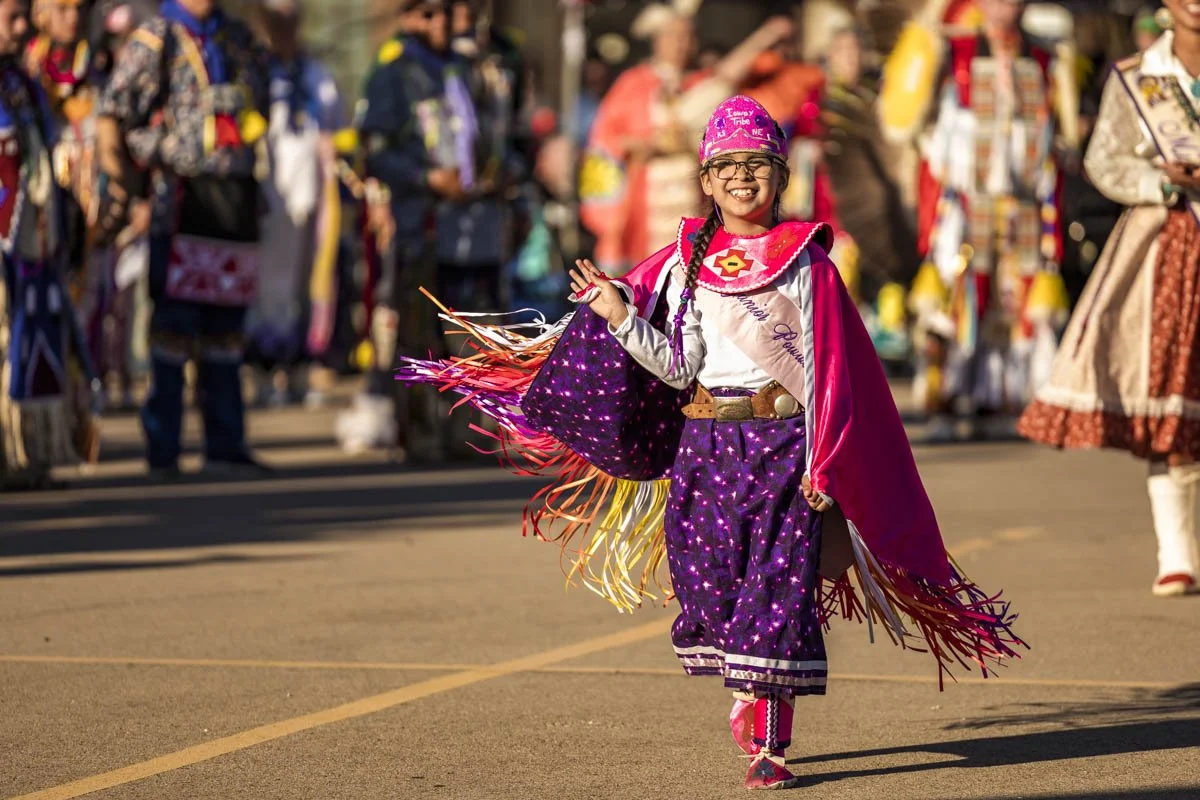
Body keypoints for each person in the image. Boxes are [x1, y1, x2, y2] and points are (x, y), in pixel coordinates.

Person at [399, 96, 1022, 790]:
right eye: (727, 166)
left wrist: (824, 461)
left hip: (786, 445)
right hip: (706, 447)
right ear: (706, 179)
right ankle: (746, 691)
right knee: (712, 588)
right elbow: (674, 366)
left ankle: (770, 741)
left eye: (758, 165)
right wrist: (617, 317)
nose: (742, 178)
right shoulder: (685, 267)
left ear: (782, 178)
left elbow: (830, 373)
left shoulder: (808, 264)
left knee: (778, 594)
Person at [1019, 0, 1200, 597]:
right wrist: (1163, 181)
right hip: (1170, 240)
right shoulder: (1139, 75)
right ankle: (1177, 552)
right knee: (1171, 387)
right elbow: (1104, 159)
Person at [884, 0, 1076, 441]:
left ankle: (1009, 400)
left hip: (1027, 203)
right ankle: (946, 401)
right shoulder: (954, 51)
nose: (1002, 6)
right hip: (965, 204)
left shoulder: (1047, 57)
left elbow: (1064, 136)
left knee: (1019, 300)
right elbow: (908, 121)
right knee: (958, 299)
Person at [98, 0, 270, 477]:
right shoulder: (157, 38)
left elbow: (264, 107)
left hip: (234, 202)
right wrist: (166, 153)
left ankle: (226, 444)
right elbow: (114, 115)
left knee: (226, 332)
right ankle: (164, 449)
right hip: (180, 200)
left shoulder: (238, 38)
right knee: (173, 329)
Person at [338, 0, 472, 459]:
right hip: (419, 225)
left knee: (471, 332)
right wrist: (426, 177)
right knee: (418, 332)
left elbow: (496, 135)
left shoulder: (467, 70)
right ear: (408, 18)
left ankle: (467, 433)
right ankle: (419, 434)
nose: (440, 22)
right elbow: (371, 153)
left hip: (474, 229)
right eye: (428, 13)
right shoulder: (393, 72)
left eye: (446, 12)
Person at [578, 9, 795, 275]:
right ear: (657, 39)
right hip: (642, 201)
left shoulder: (703, 85)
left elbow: (729, 77)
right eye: (674, 36)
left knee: (689, 270)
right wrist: (640, 145)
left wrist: (767, 35)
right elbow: (605, 140)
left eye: (688, 36)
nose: (682, 43)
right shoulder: (633, 84)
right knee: (644, 279)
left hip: (691, 196)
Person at [0, 0, 97, 489]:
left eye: (23, 16)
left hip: (32, 241)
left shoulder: (23, 85)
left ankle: (28, 454)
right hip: (9, 237)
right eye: (11, 18)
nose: (22, 28)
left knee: (30, 340)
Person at [244, 0, 343, 408]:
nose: (283, 29)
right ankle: (265, 369)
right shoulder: (254, 73)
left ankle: (299, 367)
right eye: (275, 21)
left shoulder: (316, 76)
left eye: (290, 21)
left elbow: (334, 129)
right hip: (268, 196)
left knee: (305, 284)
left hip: (310, 197)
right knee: (270, 285)